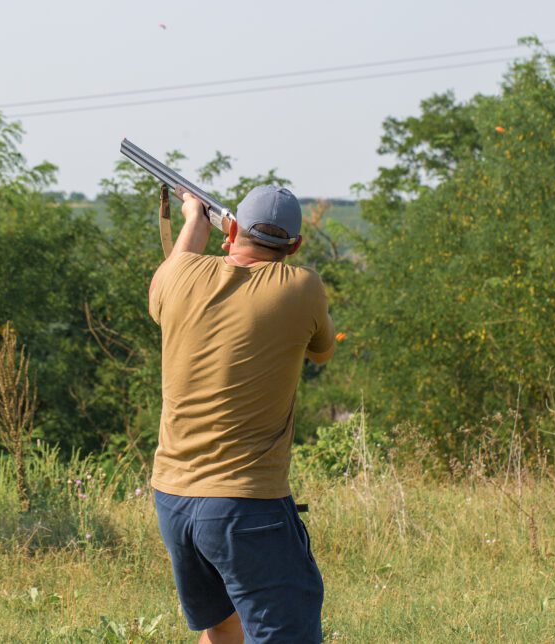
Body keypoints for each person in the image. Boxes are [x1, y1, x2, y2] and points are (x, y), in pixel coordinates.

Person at [148, 185, 335, 643]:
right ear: (295, 245)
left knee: (222, 632)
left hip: (172, 498)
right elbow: (323, 352)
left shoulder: (182, 276)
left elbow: (164, 284)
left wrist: (194, 218)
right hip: (243, 502)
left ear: (230, 230)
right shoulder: (301, 286)